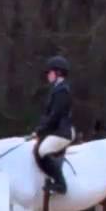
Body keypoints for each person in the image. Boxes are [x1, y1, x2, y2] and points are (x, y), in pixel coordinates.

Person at [33, 56, 74, 194]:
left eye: (49, 72)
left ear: (58, 73)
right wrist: (39, 129)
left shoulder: (62, 91)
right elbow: (48, 116)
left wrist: (40, 130)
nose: (47, 75)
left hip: (62, 132)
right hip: (55, 131)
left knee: (42, 151)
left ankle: (60, 184)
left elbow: (55, 116)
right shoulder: (56, 89)